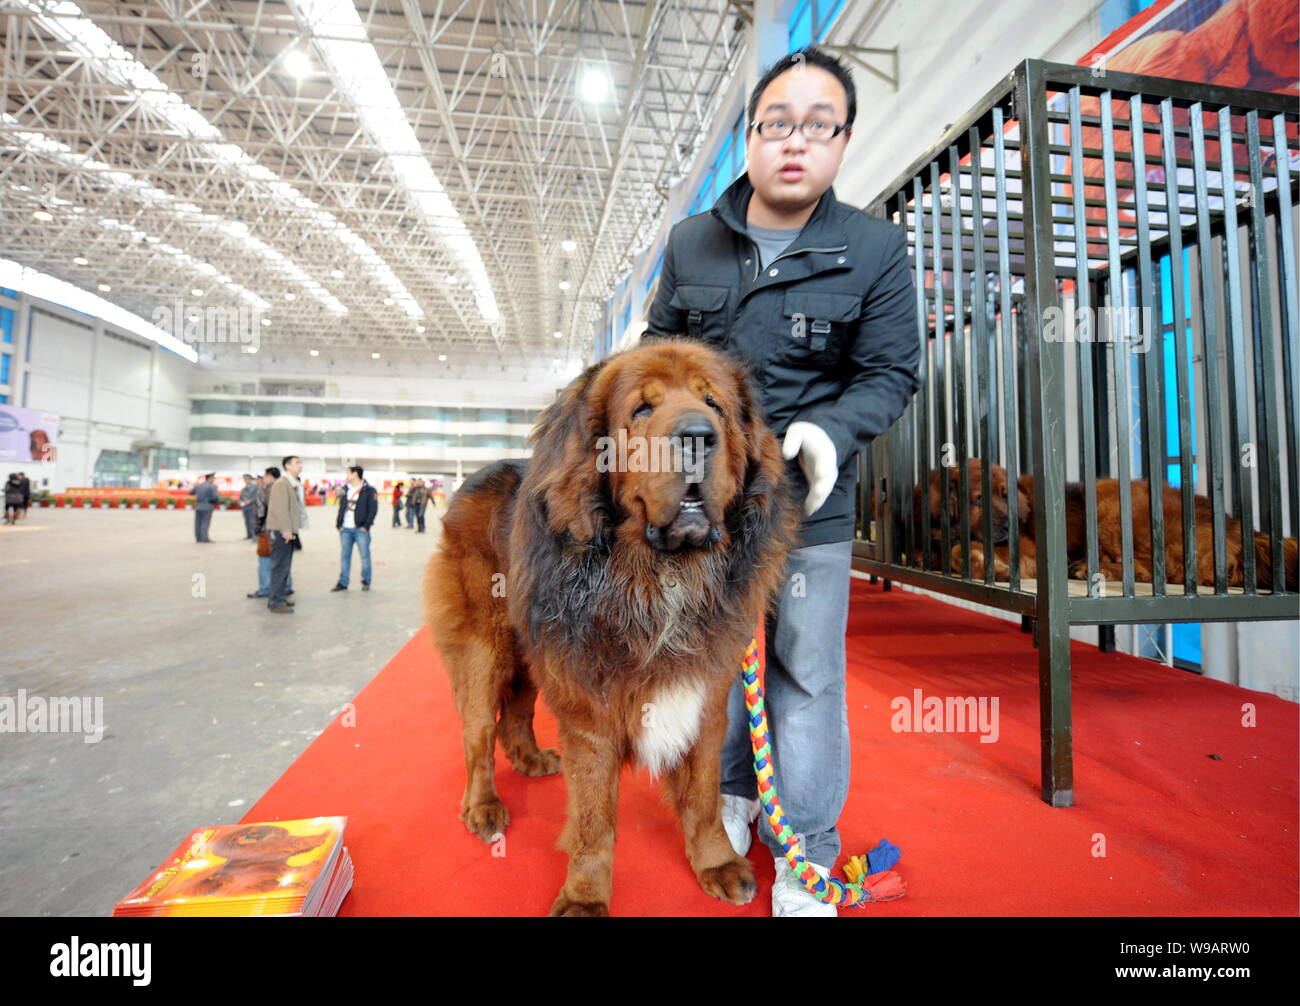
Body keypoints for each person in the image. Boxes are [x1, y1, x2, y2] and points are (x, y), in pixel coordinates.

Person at [644, 46, 920, 916]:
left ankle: (805, 849)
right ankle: (727, 794)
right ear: (750, 137)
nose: (794, 143)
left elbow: (890, 371)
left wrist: (829, 430)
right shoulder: (692, 242)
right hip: (701, 510)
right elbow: (652, 360)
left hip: (809, 508)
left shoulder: (873, 248)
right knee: (709, 658)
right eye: (776, 125)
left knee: (805, 673)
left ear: (841, 141)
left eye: (817, 126)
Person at [264, 455, 306, 614]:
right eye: (297, 463)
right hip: (282, 531)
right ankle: (275, 602)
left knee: (284, 567)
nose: (300, 465)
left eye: (300, 462)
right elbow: (280, 509)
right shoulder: (282, 483)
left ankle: (279, 598)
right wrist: (286, 530)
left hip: (287, 531)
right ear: (287, 466)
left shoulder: (291, 483)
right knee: (280, 567)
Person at [247, 467, 294, 600]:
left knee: (265, 560)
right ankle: (287, 586)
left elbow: (260, 513)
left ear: (269, 476)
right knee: (282, 561)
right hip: (283, 530)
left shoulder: (264, 491)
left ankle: (265, 588)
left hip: (268, 530)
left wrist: (257, 530)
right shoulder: (285, 489)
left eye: (264, 476)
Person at [333, 465, 377, 591]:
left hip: (360, 530)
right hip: (345, 529)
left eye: (348, 473)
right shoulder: (346, 489)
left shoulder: (369, 490)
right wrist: (339, 524)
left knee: (365, 556)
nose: (346, 476)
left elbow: (373, 510)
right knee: (345, 557)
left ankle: (366, 581)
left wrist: (366, 526)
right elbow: (341, 507)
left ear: (355, 474)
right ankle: (343, 582)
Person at [189, 472, 220, 542]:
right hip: (207, 506)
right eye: (213, 478)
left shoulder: (199, 485)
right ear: (210, 478)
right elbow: (215, 497)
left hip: (198, 506)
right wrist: (216, 502)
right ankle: (204, 538)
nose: (214, 480)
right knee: (205, 522)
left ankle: (198, 538)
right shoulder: (212, 486)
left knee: (198, 522)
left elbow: (190, 493)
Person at [238, 474, 259, 539]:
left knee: (252, 522)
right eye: (245, 479)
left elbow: (257, 496)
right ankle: (249, 535)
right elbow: (241, 497)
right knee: (247, 522)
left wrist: (250, 501)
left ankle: (254, 536)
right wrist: (241, 502)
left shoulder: (255, 487)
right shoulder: (244, 488)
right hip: (245, 508)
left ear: (250, 479)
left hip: (252, 507)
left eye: (247, 479)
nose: (246, 480)